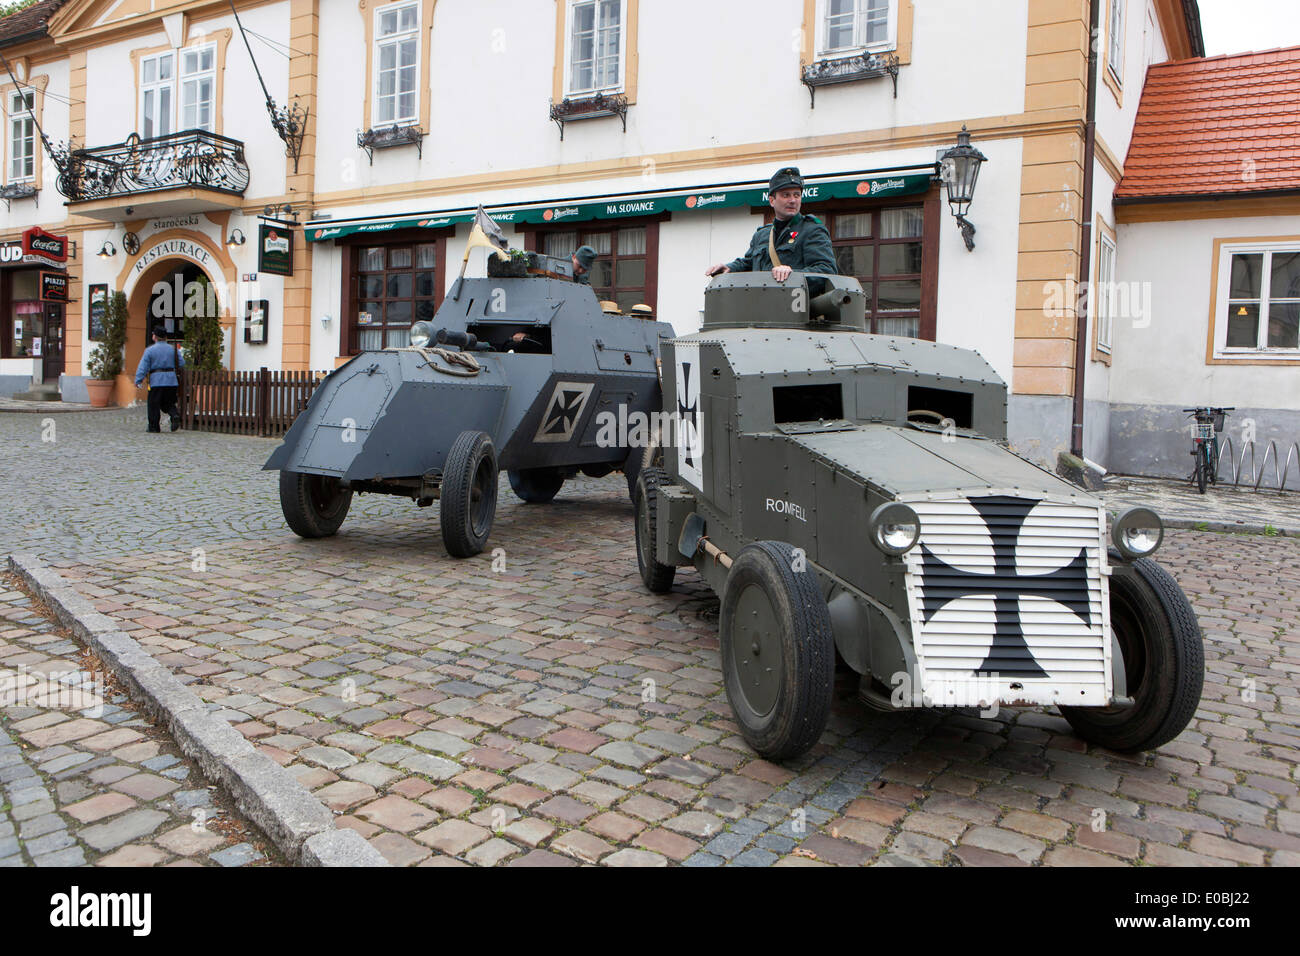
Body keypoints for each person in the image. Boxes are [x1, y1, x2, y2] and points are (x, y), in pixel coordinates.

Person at [706, 166, 836, 281]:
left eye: (797, 195)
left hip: (795, 305)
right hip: (762, 304)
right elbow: (750, 263)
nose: (792, 200)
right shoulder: (762, 235)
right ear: (772, 200)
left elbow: (826, 270)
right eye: (786, 195)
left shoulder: (812, 230)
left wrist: (792, 275)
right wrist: (729, 267)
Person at [134, 324, 185, 433]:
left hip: (156, 380)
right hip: (171, 381)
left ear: (154, 336)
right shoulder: (173, 349)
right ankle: (174, 414)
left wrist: (138, 380)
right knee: (168, 403)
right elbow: (181, 363)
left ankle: (154, 426)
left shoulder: (150, 350)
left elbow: (143, 367)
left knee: (153, 404)